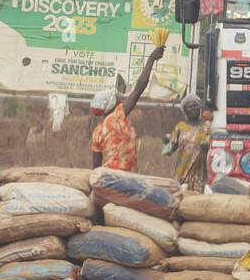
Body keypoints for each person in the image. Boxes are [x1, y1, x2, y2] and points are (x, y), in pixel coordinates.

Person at [90, 42, 166, 171]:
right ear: (112, 105)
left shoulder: (98, 131)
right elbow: (138, 89)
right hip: (124, 179)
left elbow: (95, 167)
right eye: (117, 99)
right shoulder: (117, 116)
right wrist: (151, 59)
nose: (121, 100)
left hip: (107, 178)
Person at [163, 95, 211, 191]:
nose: (193, 108)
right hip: (182, 170)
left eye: (195, 105)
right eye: (190, 106)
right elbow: (170, 149)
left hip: (200, 170)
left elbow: (212, 147)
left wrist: (207, 147)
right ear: (184, 110)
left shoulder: (207, 126)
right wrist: (166, 143)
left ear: (200, 107)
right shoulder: (180, 127)